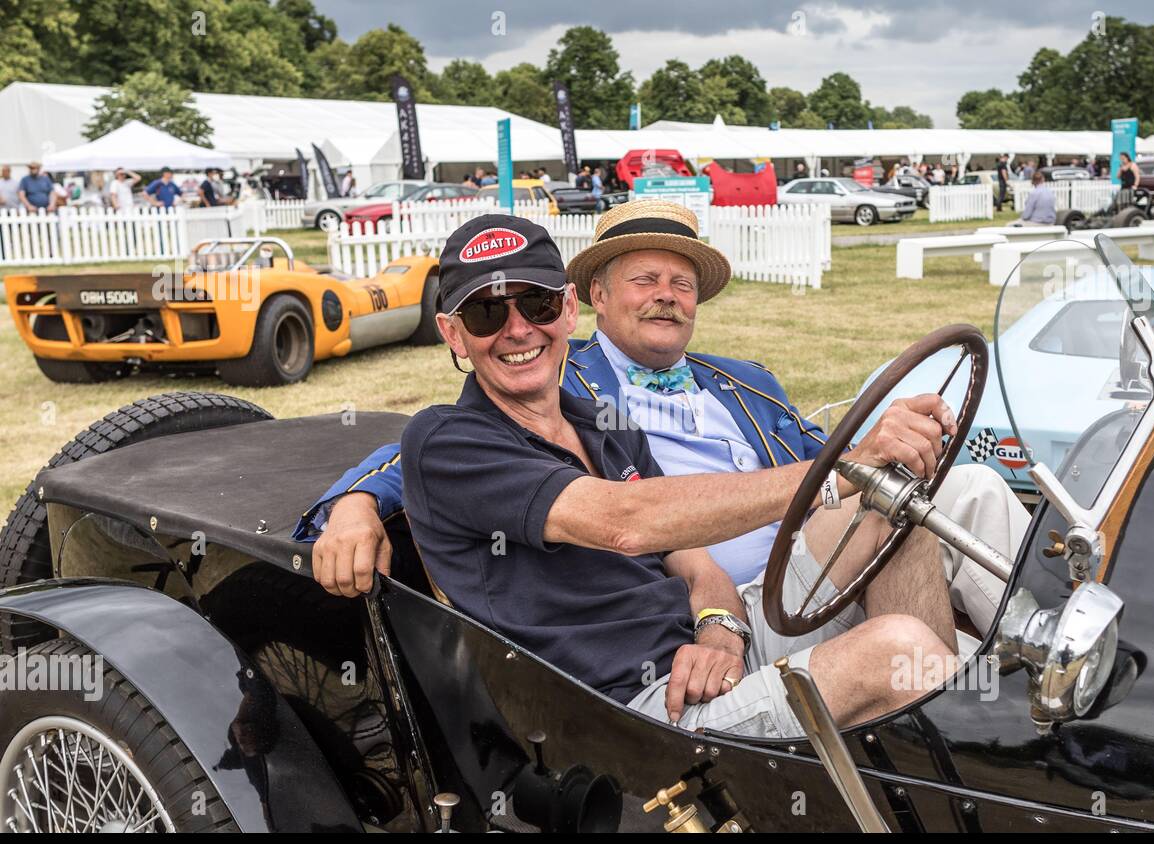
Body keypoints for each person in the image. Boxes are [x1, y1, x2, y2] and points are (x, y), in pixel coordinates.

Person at [342, 210, 1019, 734]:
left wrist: (718, 626)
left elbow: (695, 564)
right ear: (453, 335)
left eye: (538, 304)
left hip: (722, 645)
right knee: (896, 646)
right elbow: (625, 523)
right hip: (631, 712)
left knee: (897, 505)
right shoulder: (447, 438)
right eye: (489, 312)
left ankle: (993, 715)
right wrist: (353, 503)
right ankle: (998, 758)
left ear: (567, 310)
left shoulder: (597, 419)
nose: (518, 329)